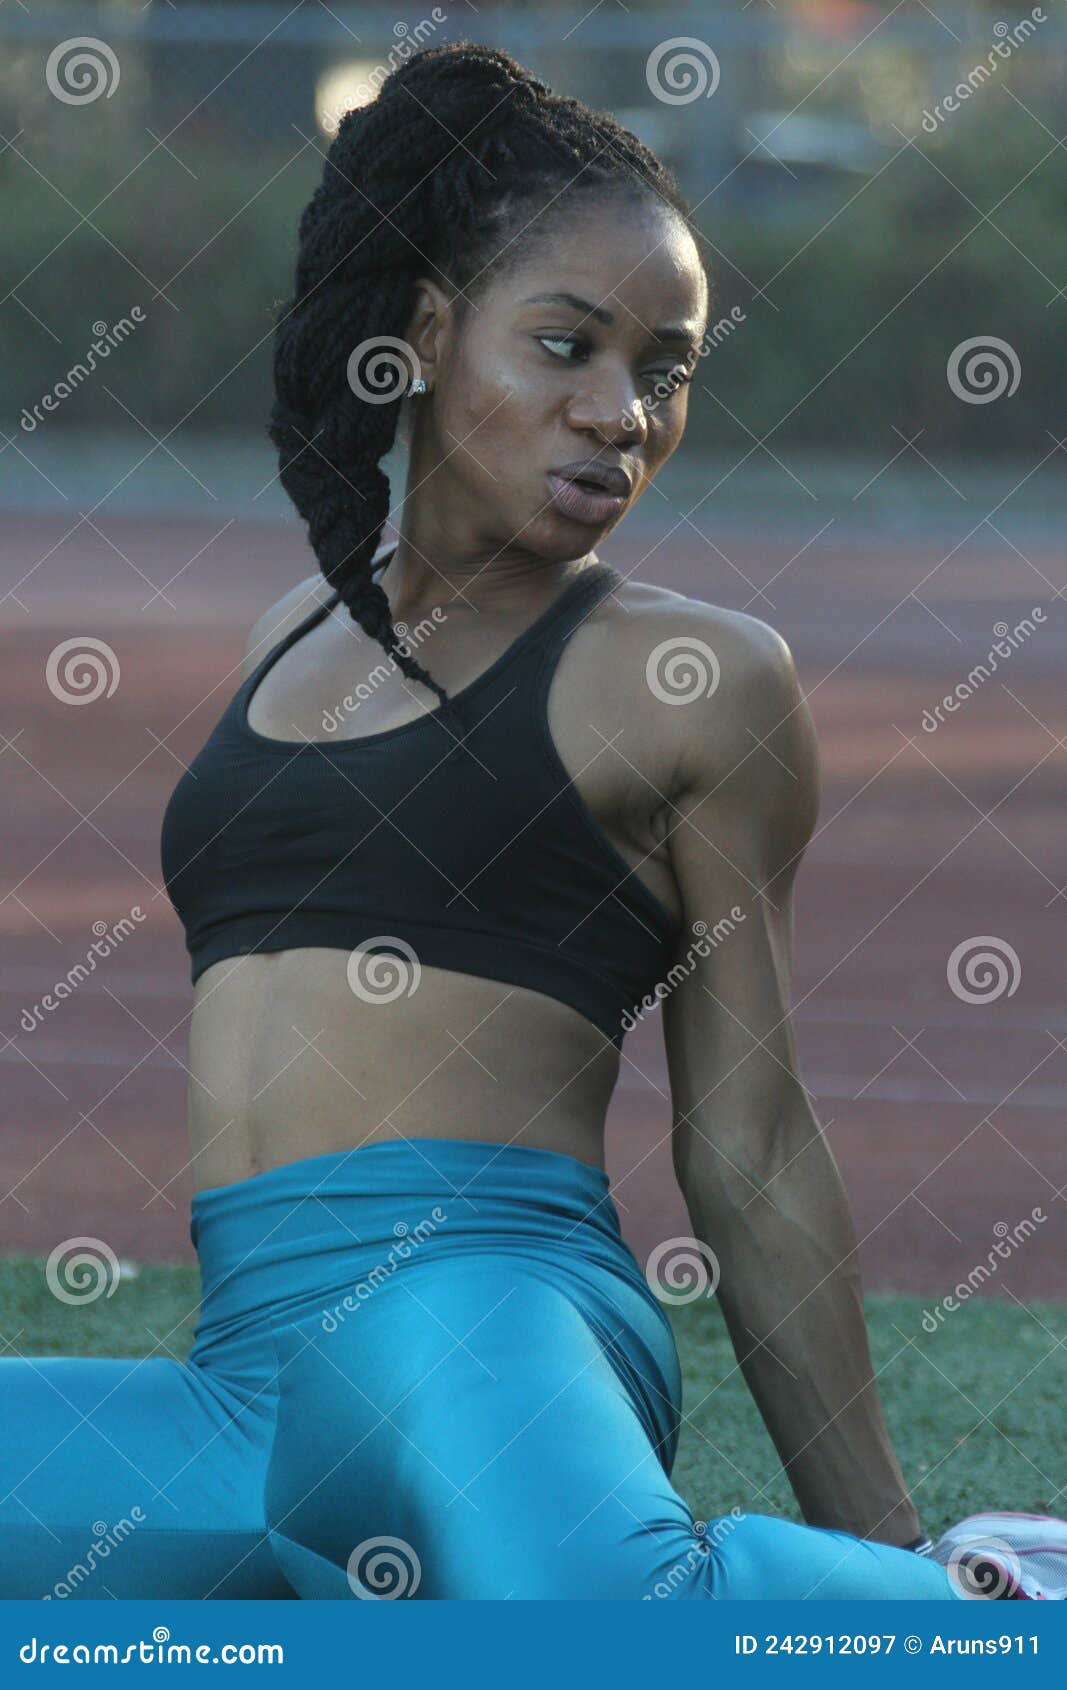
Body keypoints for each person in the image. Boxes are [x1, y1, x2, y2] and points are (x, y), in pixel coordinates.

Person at [2, 41, 1062, 1602]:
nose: (621, 412)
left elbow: (751, 1141)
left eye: (665, 368)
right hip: (242, 1384)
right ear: (427, 335)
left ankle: (990, 1607)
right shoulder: (290, 635)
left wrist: (888, 1547)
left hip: (483, 1312)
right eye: (567, 344)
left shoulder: (695, 678)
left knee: (601, 1624)